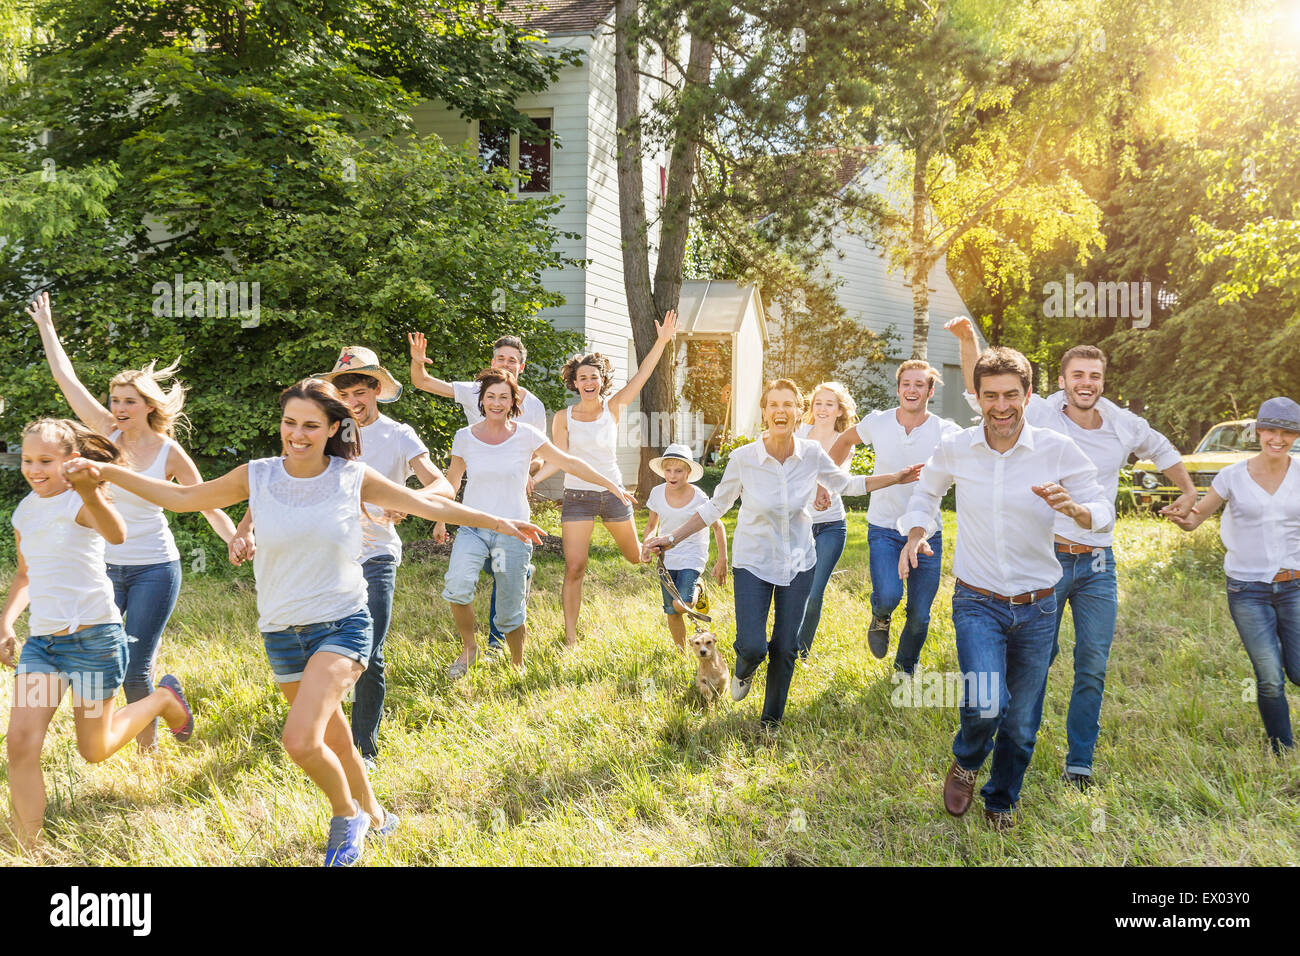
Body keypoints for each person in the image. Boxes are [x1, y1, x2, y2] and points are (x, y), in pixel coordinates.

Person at [62, 379, 543, 866]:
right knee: (334, 737)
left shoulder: (352, 477)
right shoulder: (258, 474)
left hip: (342, 624)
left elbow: (430, 503)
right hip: (281, 630)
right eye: (289, 422)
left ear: (333, 428)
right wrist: (108, 472)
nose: (297, 433)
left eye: (311, 425)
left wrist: (500, 522)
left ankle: (346, 816)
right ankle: (378, 817)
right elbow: (182, 499)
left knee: (299, 739)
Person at [948, 316, 1197, 789]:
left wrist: (1187, 494)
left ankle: (1079, 759)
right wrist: (968, 341)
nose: (1087, 384)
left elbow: (1162, 449)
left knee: (1093, 662)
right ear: (1062, 381)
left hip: (1099, 562)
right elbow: (981, 388)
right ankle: (1007, 736)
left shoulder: (1122, 423)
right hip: (1049, 558)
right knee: (1037, 660)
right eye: (1078, 376)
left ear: (1104, 382)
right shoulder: (1039, 412)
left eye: (1095, 376)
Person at [897, 346, 1113, 829]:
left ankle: (1002, 799)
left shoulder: (1055, 449)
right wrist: (915, 532)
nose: (1000, 406)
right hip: (977, 601)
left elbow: (1101, 506)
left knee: (1020, 724)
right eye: (989, 395)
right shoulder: (957, 447)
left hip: (1039, 607)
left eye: (1011, 395)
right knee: (986, 704)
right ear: (976, 397)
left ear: (1028, 395)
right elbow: (926, 493)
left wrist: (1079, 512)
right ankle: (968, 759)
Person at [643, 379, 921, 733]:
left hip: (799, 561)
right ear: (764, 412)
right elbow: (716, 507)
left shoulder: (811, 454)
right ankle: (744, 666)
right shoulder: (744, 458)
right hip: (753, 562)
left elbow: (845, 485)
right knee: (756, 646)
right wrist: (670, 537)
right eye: (773, 404)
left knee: (786, 647)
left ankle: (770, 722)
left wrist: (894, 478)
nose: (780, 410)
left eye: (788, 404)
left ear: (796, 411)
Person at [26, 292, 238, 751]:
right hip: (102, 568)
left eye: (127, 401)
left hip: (154, 569)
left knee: (136, 663)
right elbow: (66, 380)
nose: (118, 408)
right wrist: (47, 327)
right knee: (107, 657)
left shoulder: (169, 452)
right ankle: (149, 713)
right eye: (114, 401)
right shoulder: (105, 434)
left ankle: (149, 752)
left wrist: (235, 538)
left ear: (147, 404)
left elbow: (201, 501)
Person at [229, 347, 454, 770]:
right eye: (345, 391)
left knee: (369, 652)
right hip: (321, 560)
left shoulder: (399, 434)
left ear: (376, 391)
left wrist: (411, 501)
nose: (355, 399)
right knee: (314, 652)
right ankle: (325, 732)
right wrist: (245, 530)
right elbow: (278, 483)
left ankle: (363, 749)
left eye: (363, 389)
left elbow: (442, 486)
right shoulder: (323, 434)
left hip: (375, 554)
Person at [2, 419, 195, 851]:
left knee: (95, 748)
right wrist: (5, 622)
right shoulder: (24, 511)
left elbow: (116, 533)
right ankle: (26, 846)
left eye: (46, 461)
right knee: (21, 741)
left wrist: (90, 489)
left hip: (93, 644)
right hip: (44, 648)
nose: (34, 470)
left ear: (71, 461)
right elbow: (25, 574)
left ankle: (163, 699)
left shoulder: (79, 499)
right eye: (28, 460)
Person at [435, 368, 637, 677]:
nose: (497, 403)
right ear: (482, 400)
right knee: (457, 588)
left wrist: (611, 485)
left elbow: (569, 461)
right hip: (473, 528)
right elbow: (451, 482)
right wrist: (439, 517)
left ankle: (517, 664)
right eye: (491, 396)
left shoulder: (526, 435)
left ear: (513, 401)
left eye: (504, 397)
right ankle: (469, 648)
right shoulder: (465, 438)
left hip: (514, 532)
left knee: (508, 611)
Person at [533, 310, 678, 649]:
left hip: (614, 495)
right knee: (575, 567)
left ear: (601, 380)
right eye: (582, 377)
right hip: (578, 497)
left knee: (636, 557)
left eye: (593, 377)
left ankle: (675, 560)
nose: (588, 382)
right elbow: (559, 457)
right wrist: (534, 478)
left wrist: (661, 341)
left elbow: (642, 375)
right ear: (574, 382)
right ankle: (570, 637)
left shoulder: (614, 407)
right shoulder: (563, 416)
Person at [1165, 397, 1300, 755]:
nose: (1278, 438)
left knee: (1298, 672)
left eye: (1287, 432)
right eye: (1271, 429)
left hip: (1295, 586)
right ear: (1258, 431)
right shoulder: (1232, 477)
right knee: (1270, 677)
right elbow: (1195, 519)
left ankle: (1284, 642)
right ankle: (1282, 750)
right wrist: (1181, 516)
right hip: (1247, 590)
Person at [409, 332, 546, 654]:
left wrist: (526, 470)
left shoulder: (532, 408)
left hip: (510, 499)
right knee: (476, 571)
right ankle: (518, 573)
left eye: (512, 360)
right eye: (501, 359)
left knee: (505, 576)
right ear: (491, 363)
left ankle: (500, 643)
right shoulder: (473, 394)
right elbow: (424, 382)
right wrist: (417, 362)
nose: (506, 364)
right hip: (478, 497)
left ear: (521, 367)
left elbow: (542, 454)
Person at [830, 366, 962, 670]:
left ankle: (905, 667)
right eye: (906, 384)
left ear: (930, 392)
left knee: (919, 614)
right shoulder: (879, 422)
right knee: (889, 596)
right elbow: (844, 441)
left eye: (919, 385)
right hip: (884, 528)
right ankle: (881, 616)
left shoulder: (945, 431)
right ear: (898, 388)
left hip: (927, 532)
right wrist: (830, 482)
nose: (911, 390)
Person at [642, 443, 727, 651]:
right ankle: (681, 652)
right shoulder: (657, 493)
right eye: (668, 470)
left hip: (692, 554)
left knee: (682, 604)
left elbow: (718, 526)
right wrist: (647, 545)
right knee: (672, 611)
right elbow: (652, 525)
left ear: (688, 473)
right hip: (667, 556)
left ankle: (698, 587)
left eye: (678, 471)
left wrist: (722, 558)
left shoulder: (699, 497)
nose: (672, 475)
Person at [793, 383, 856, 658]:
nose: (822, 409)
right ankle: (785, 644)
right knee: (795, 589)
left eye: (829, 404)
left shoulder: (844, 440)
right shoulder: (799, 434)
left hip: (831, 525)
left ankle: (800, 653)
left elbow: (837, 478)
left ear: (840, 409)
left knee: (815, 592)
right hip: (799, 524)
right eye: (818, 403)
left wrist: (824, 491)